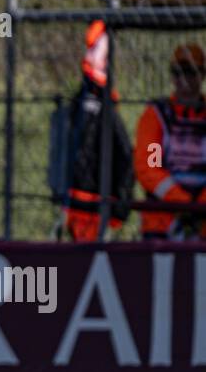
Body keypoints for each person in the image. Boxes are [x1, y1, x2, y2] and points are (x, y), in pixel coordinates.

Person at [56, 20, 132, 241]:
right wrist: (122, 200)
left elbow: (127, 154)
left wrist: (121, 200)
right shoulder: (88, 100)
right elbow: (129, 154)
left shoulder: (94, 100)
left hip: (88, 202)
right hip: (84, 203)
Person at [134, 43, 206, 239]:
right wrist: (182, 203)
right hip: (161, 225)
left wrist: (200, 205)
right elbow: (150, 166)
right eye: (177, 72)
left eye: (190, 72)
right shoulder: (157, 116)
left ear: (202, 75)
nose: (183, 79)